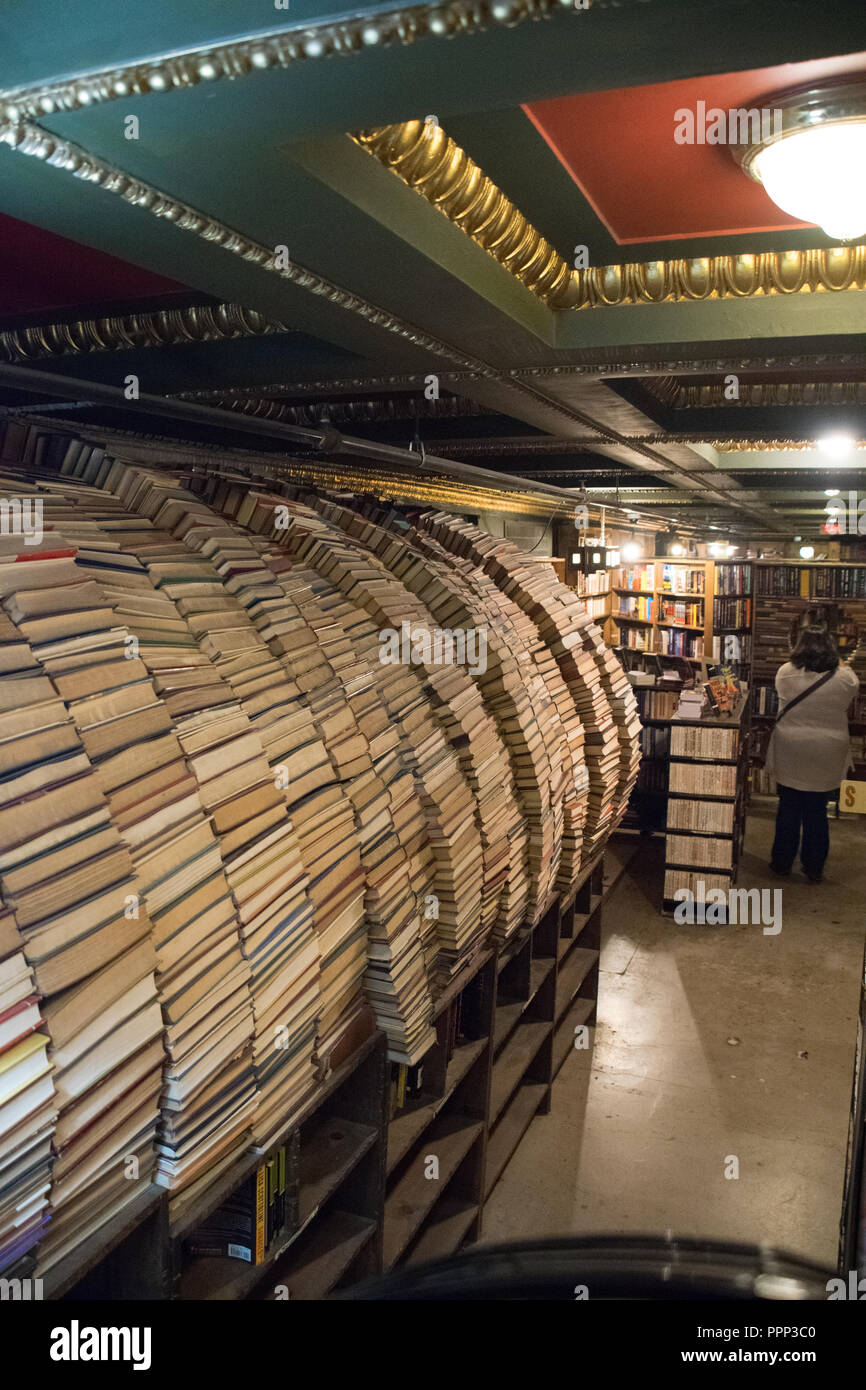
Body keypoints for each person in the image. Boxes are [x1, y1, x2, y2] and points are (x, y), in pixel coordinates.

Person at [767, 625, 859, 882]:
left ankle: (782, 862)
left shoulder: (785, 673)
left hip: (791, 747)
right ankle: (814, 867)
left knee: (788, 807)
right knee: (817, 809)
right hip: (827, 749)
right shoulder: (845, 678)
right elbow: (851, 685)